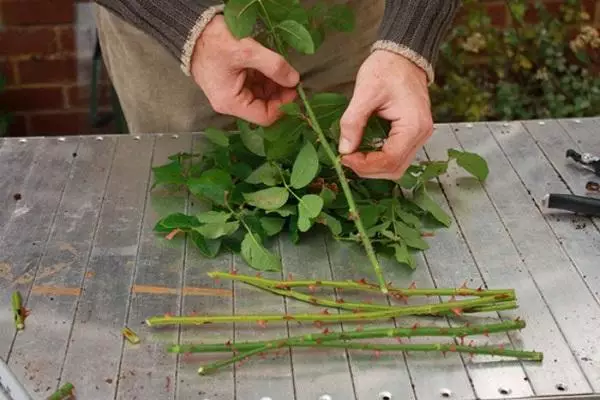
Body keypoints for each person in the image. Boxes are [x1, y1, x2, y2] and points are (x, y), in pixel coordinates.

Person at [93, 0, 460, 180]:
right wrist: (185, 28)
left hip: (335, 18)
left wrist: (409, 42)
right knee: (193, 189)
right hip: (170, 24)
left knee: (351, 173)